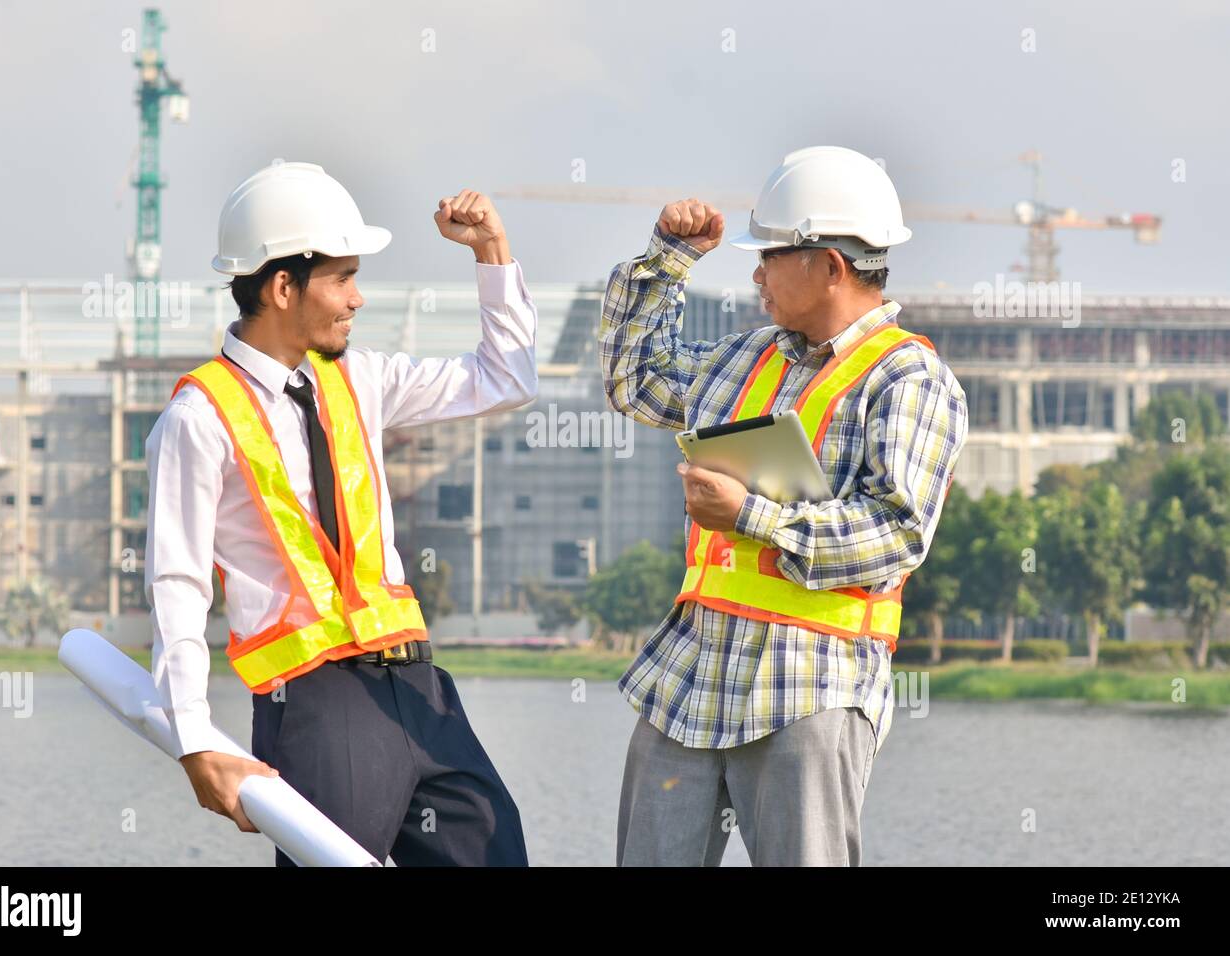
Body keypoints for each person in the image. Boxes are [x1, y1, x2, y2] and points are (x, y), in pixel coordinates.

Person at [144, 162, 536, 866]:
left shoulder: (360, 378)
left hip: (418, 686)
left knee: (496, 852)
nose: (357, 299)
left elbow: (506, 377)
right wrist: (194, 738)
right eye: (343, 277)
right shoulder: (197, 418)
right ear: (283, 285)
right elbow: (176, 583)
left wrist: (491, 252)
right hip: (319, 704)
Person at [599, 146, 969, 866]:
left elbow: (896, 532)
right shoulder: (749, 357)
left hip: (812, 686)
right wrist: (669, 259)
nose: (756, 273)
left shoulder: (911, 379)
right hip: (690, 678)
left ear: (830, 266)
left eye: (770, 256)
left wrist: (750, 515)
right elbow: (635, 381)